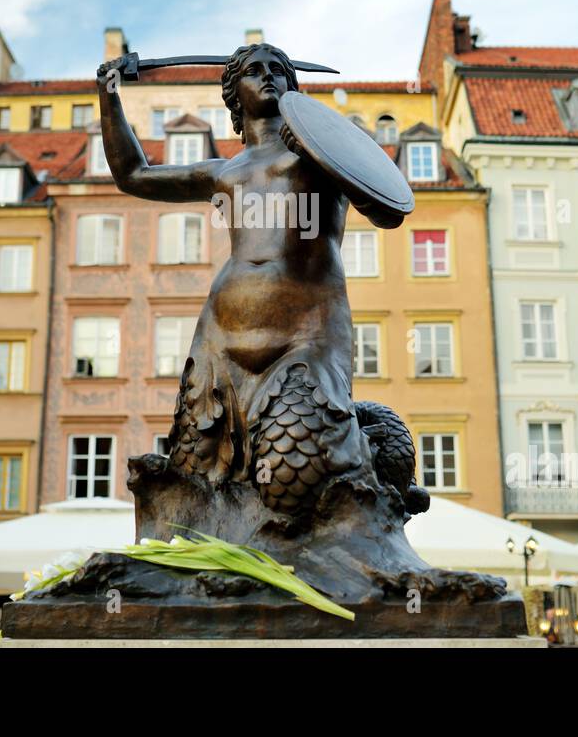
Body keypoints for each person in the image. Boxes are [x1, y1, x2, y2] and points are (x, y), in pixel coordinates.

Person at [95, 44, 400, 514]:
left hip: (305, 332)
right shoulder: (223, 171)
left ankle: (377, 454)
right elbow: (133, 174)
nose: (269, 77)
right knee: (196, 482)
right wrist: (109, 93)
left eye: (279, 70)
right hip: (221, 338)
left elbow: (386, 210)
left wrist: (326, 154)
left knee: (291, 480)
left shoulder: (322, 153)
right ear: (234, 93)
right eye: (255, 71)